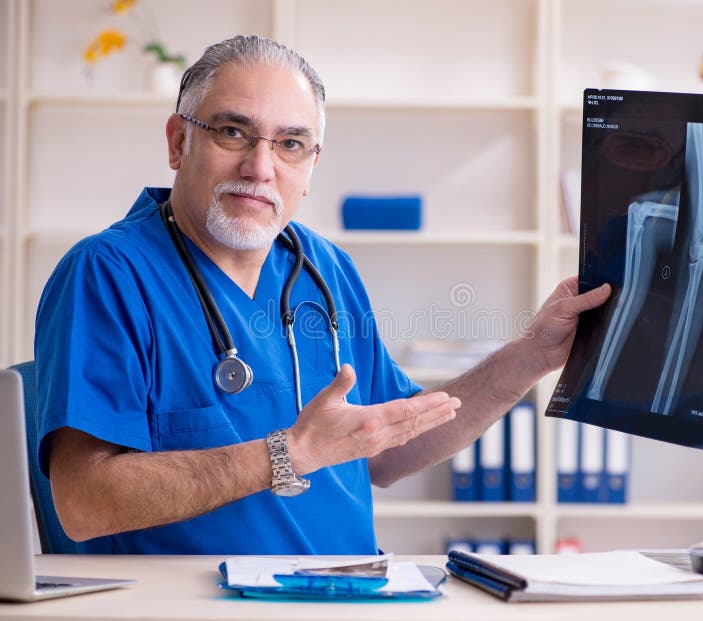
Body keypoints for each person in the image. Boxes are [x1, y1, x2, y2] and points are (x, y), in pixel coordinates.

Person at [35, 35, 610, 554]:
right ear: (179, 141)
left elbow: (385, 450)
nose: (260, 167)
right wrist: (289, 452)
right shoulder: (108, 273)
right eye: (233, 131)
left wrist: (533, 355)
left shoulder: (325, 269)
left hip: (350, 596)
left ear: (310, 168)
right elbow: (83, 504)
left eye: (290, 143)